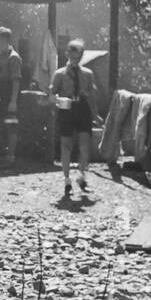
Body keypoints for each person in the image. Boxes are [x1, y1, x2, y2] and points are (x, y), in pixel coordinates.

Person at [50, 38, 99, 201]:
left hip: (82, 108)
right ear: (67, 54)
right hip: (67, 109)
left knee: (85, 146)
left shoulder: (87, 74)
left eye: (78, 56)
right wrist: (58, 98)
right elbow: (53, 93)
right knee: (66, 145)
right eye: (72, 55)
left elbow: (92, 95)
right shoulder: (59, 74)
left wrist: (95, 114)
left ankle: (82, 176)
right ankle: (66, 180)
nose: (75, 59)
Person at [0, 26, 22, 165]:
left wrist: (13, 101)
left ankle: (10, 156)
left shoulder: (13, 57)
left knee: (10, 124)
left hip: (9, 91)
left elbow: (16, 80)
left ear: (5, 40)